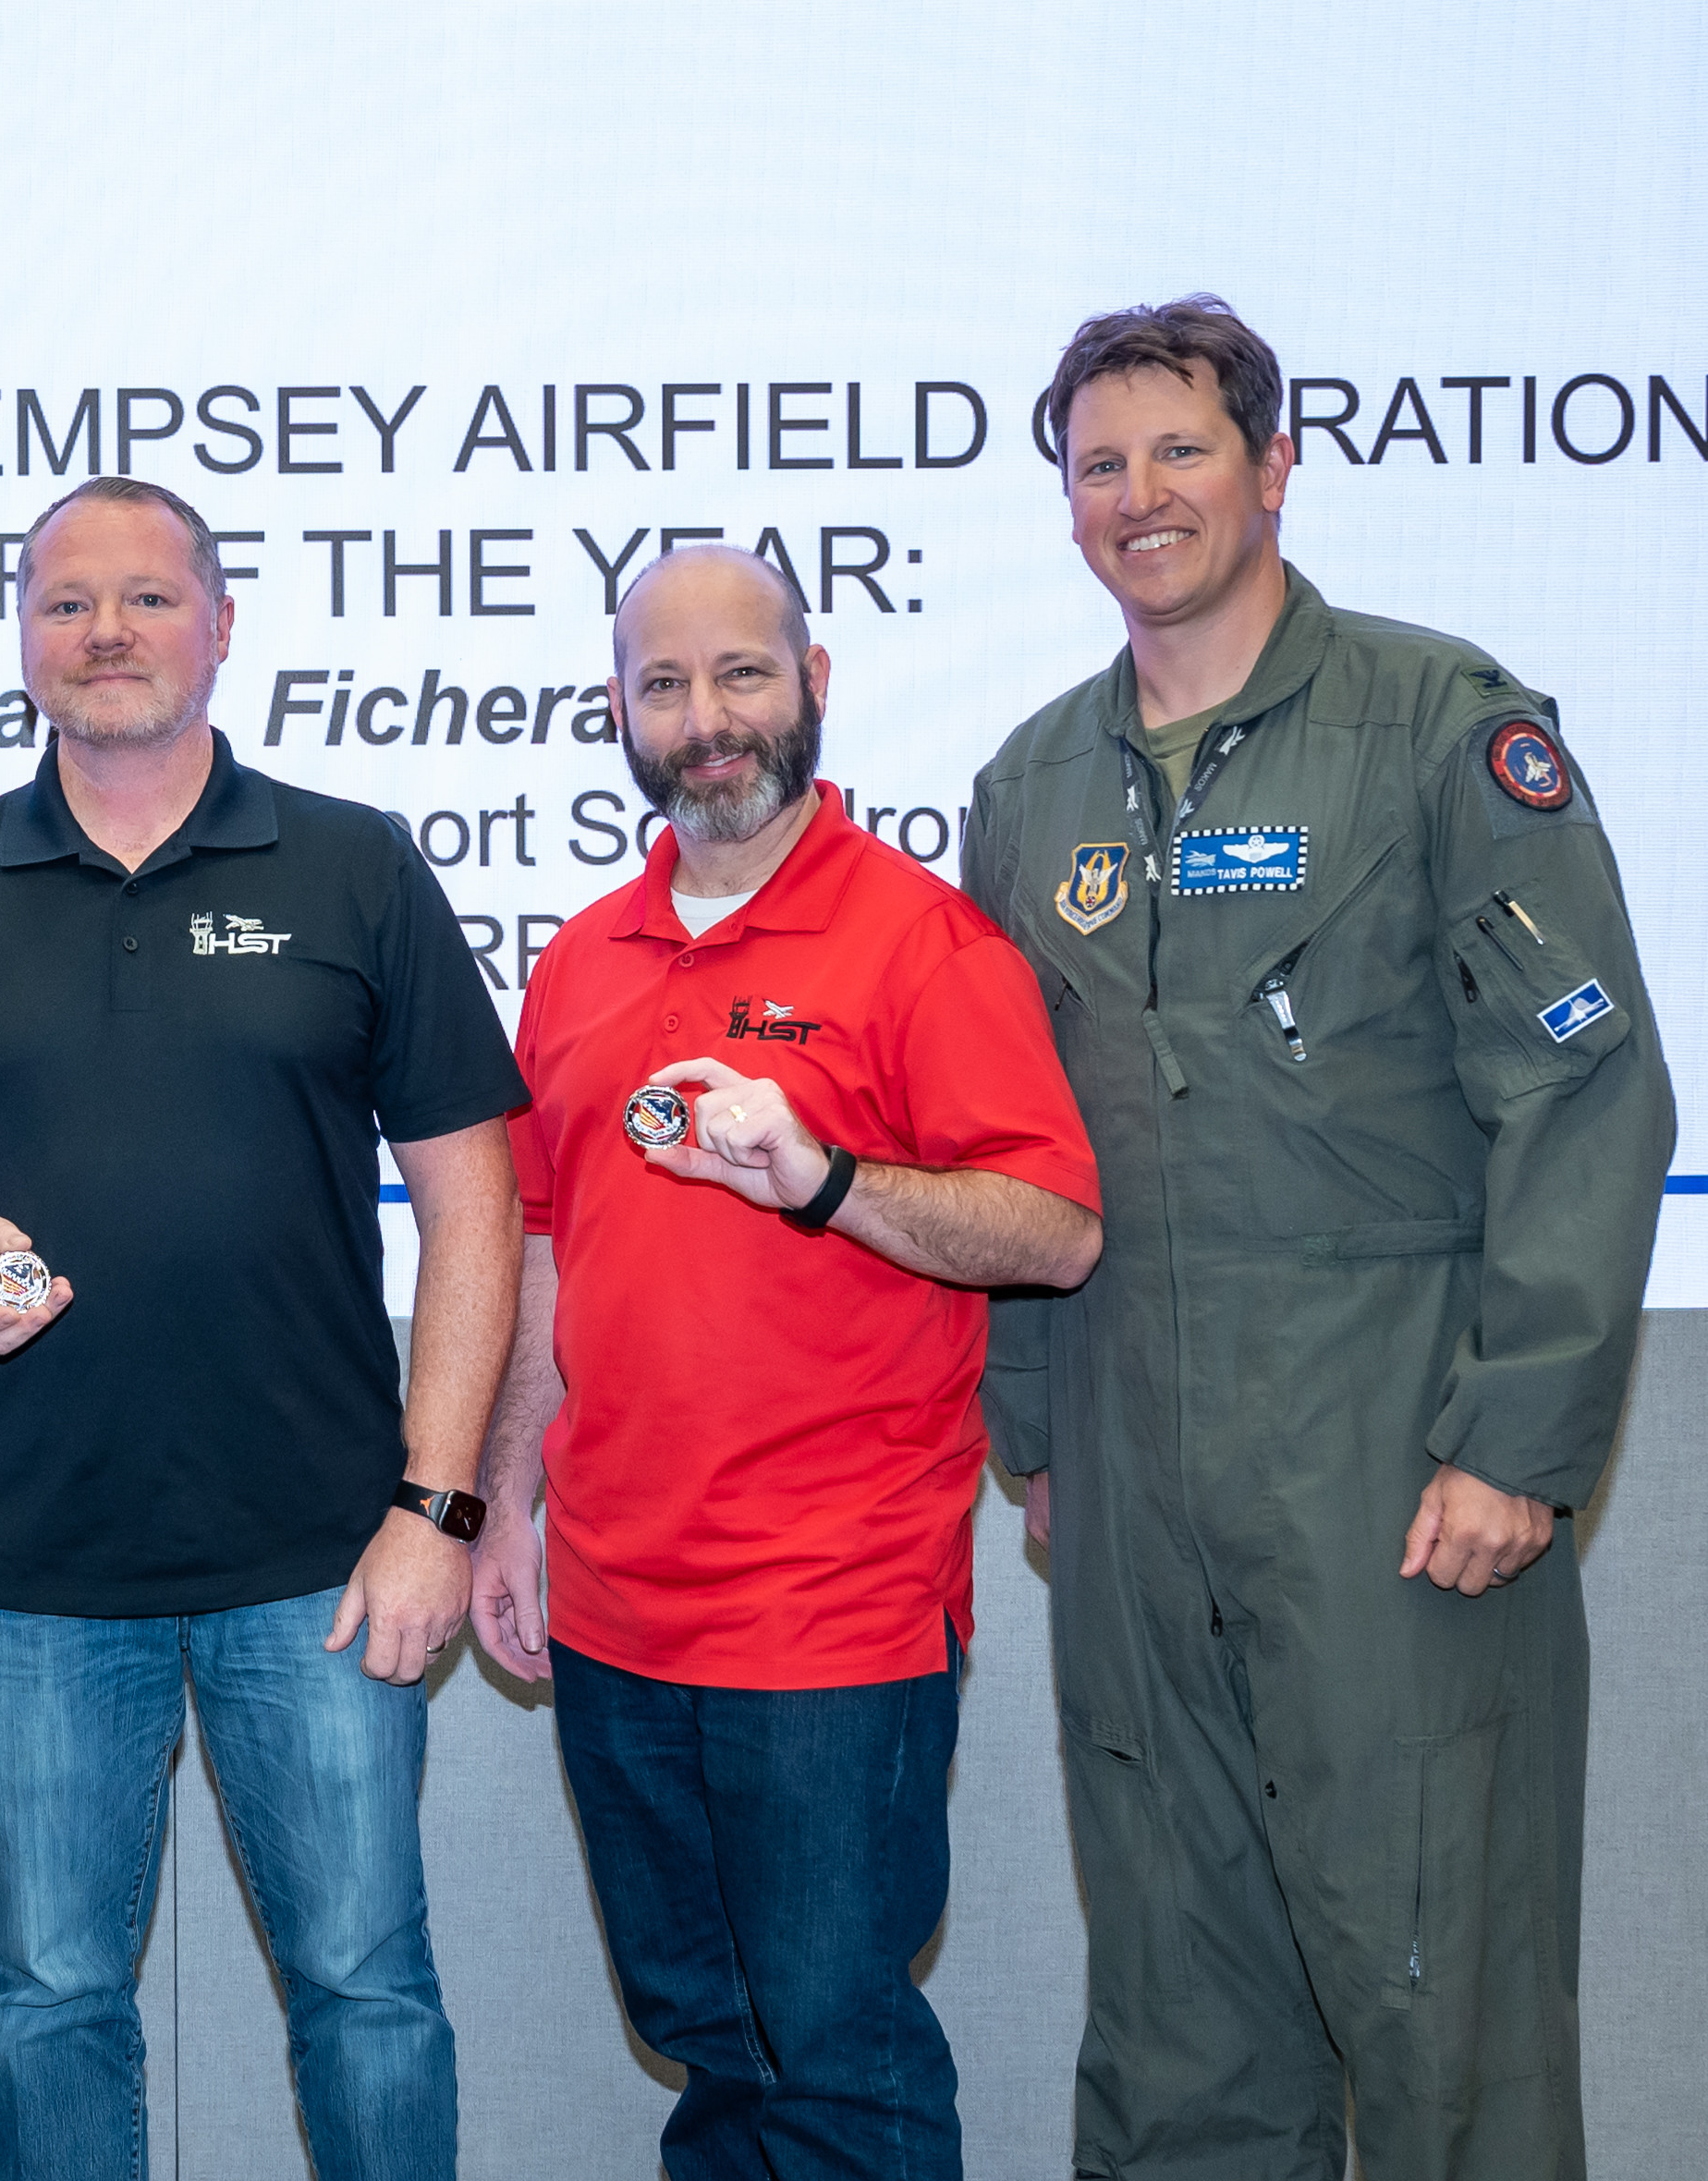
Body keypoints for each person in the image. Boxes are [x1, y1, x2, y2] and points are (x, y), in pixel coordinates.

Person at [964, 296, 1674, 2181]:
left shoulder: (1441, 731)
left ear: (1275, 469)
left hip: (1394, 1482)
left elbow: (1588, 1087)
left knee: (1441, 2013)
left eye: (1181, 451)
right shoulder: (1029, 791)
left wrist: (1518, 1441)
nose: (1139, 495)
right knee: (1179, 2024)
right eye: (1099, 466)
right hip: (1131, 1491)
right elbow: (1008, 1148)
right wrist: (1037, 1439)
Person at [0, 475, 524, 2181]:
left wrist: (437, 1511)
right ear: (22, 639)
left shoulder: (353, 863)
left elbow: (475, 1206)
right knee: (49, 2001)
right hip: (39, 1563)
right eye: (66, 603)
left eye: (145, 597)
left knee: (368, 1995)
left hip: (325, 1558)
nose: (105, 632)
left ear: (220, 625)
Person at [467, 545, 1101, 2179]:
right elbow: (543, 1249)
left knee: (833, 2058)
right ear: (620, 711)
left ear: (813, 683)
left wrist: (824, 1178)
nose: (707, 719)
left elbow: (1053, 1229)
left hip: (831, 1612)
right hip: (614, 1608)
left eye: (742, 674)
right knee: (714, 2052)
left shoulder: (922, 944)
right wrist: (503, 1502)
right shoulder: (580, 961)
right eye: (665, 686)